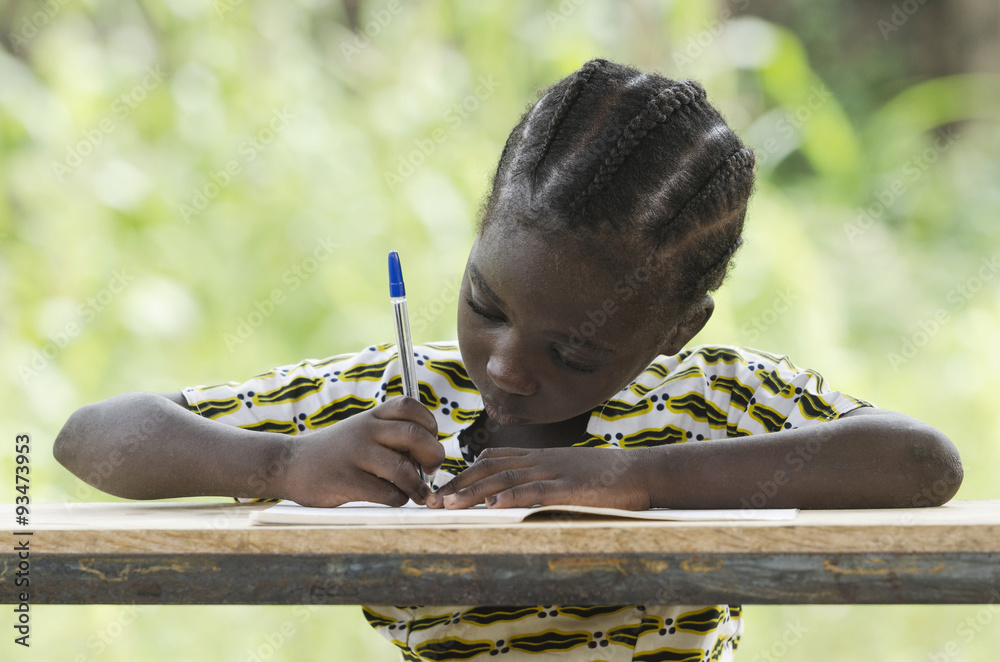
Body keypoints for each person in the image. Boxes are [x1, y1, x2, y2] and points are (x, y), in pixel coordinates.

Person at [54, 58, 963, 661]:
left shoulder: (709, 400)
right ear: (480, 233)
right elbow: (90, 438)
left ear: (675, 329)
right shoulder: (394, 411)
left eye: (573, 349)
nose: (509, 366)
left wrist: (638, 478)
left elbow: (924, 464)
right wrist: (284, 463)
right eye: (486, 305)